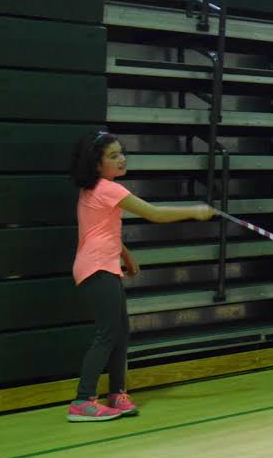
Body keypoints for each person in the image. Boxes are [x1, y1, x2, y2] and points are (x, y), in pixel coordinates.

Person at [67, 131, 213, 421]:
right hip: (98, 267)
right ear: (96, 164)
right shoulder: (108, 189)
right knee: (108, 333)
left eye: (121, 153)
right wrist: (195, 211)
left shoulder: (92, 190)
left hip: (101, 265)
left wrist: (127, 257)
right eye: (113, 156)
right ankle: (82, 400)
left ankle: (117, 394)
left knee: (120, 332)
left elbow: (102, 231)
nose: (122, 159)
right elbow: (153, 214)